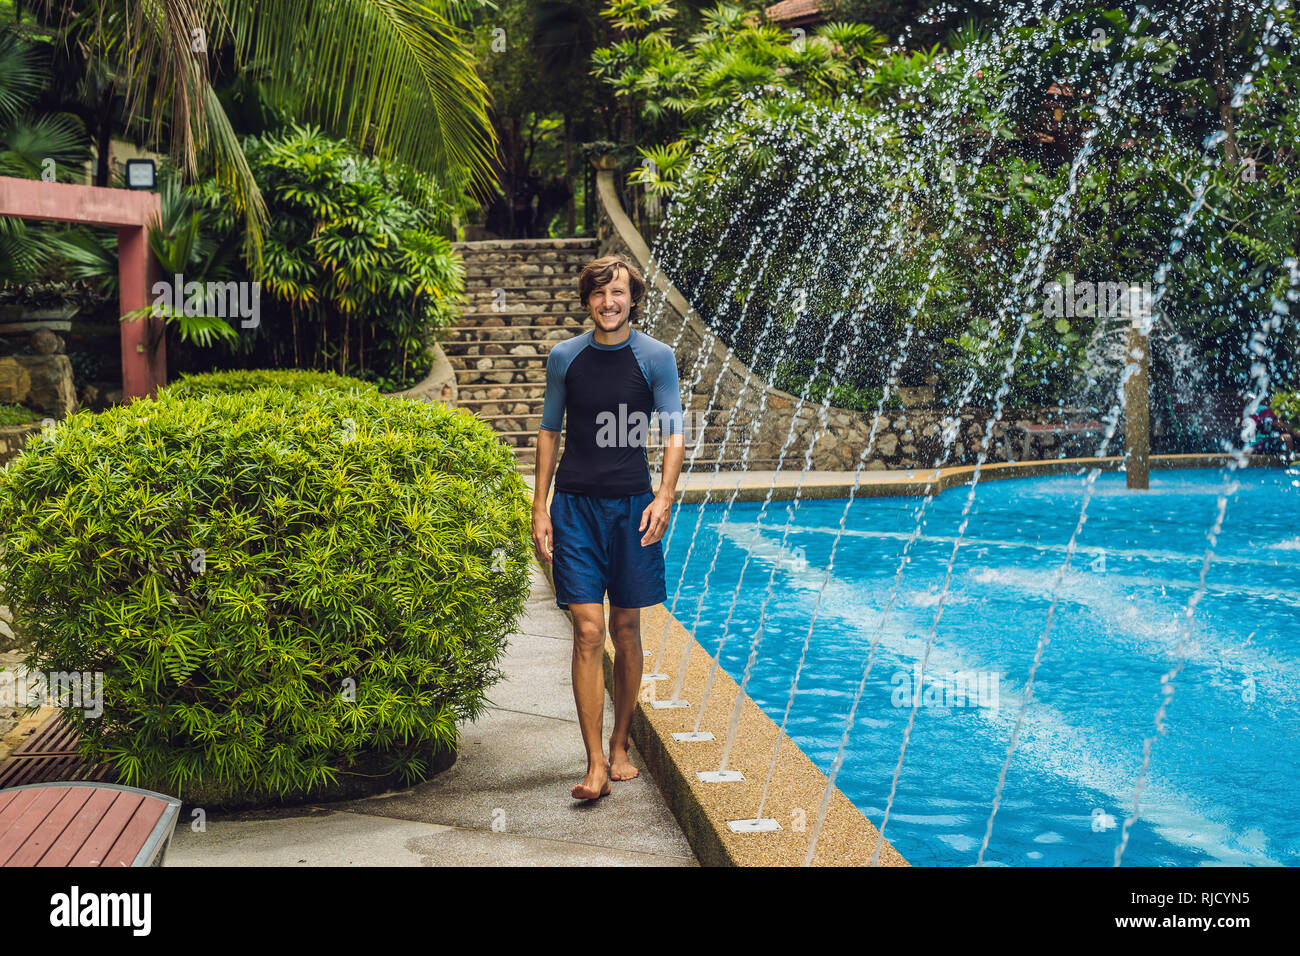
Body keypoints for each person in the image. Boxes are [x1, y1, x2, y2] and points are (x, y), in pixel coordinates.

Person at [531, 254, 685, 801]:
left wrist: (664, 495)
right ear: (587, 299)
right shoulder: (564, 358)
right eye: (599, 293)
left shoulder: (656, 358)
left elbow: (672, 433)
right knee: (588, 631)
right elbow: (549, 432)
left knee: (626, 631)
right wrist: (539, 506)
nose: (609, 302)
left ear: (633, 299)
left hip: (632, 509)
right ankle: (594, 762)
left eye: (618, 292)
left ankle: (621, 743)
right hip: (574, 508)